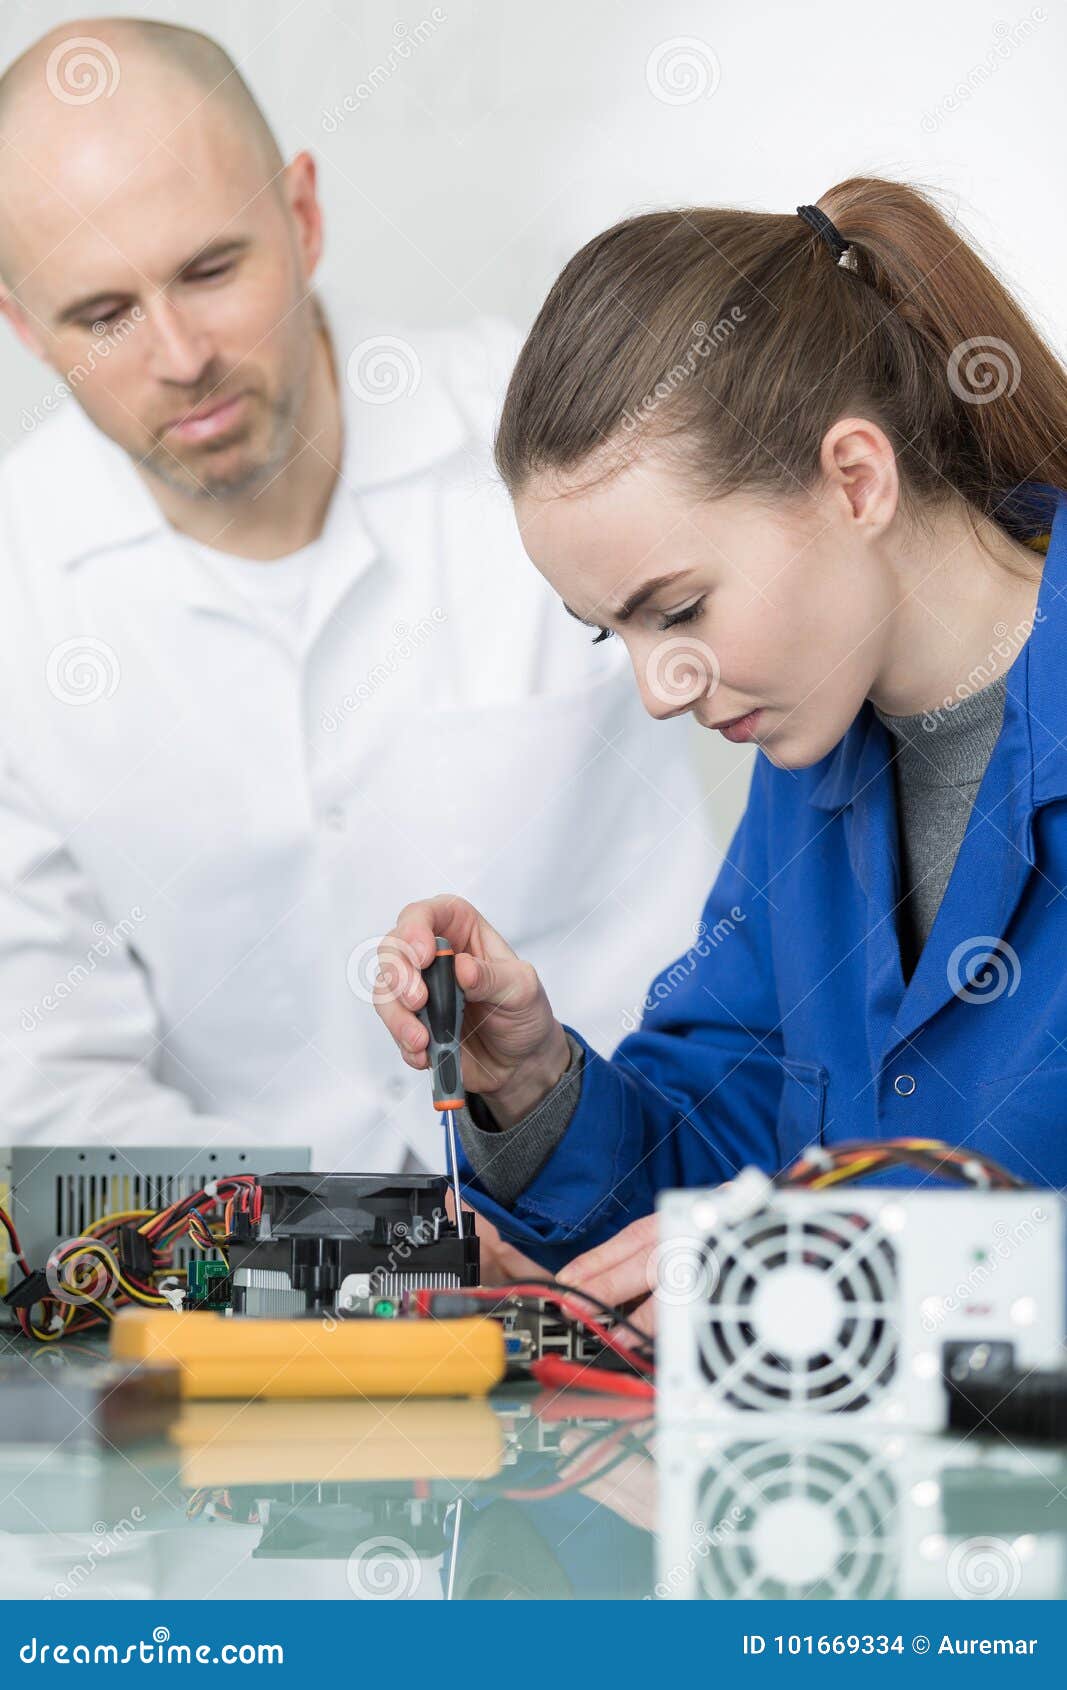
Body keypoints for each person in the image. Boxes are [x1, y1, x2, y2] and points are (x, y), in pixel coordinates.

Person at [0, 18, 714, 1186]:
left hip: (645, 1214)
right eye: (102, 315)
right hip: (252, 1289)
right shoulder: (15, 594)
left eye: (211, 270)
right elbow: (51, 1087)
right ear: (23, 326)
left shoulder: (557, 442)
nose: (180, 356)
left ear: (304, 216)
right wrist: (353, 1245)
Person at [374, 176, 1067, 1307]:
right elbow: (713, 1190)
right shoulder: (814, 771)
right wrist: (535, 1082)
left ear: (854, 479)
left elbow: (796, 1242)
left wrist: (863, 1255)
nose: (657, 690)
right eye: (614, 635)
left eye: (679, 609)